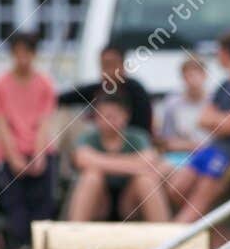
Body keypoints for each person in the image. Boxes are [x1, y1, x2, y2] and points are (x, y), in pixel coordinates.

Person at [169, 32, 230, 224]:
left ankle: (171, 246)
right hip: (213, 148)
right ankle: (211, 236)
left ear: (225, 53)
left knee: (195, 206)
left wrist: (222, 122)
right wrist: (225, 121)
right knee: (175, 189)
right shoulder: (226, 84)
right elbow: (203, 119)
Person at [0, 29, 59, 249]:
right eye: (17, 53)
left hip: (38, 149)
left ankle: (40, 246)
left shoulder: (45, 84)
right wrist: (13, 157)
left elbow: (44, 123)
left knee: (42, 201)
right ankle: (18, 244)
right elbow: (1, 124)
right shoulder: (0, 84)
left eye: (26, 53)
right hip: (10, 151)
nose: (22, 59)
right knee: (14, 202)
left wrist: (38, 155)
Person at [64, 92, 170, 222]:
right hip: (100, 204)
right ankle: (75, 230)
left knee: (145, 180)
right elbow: (81, 159)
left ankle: (164, 233)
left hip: (129, 203)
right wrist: (134, 165)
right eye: (103, 115)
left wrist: (98, 162)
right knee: (91, 176)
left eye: (113, 115)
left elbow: (149, 161)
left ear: (126, 115)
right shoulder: (88, 138)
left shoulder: (137, 137)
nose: (108, 120)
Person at [59, 44, 154, 134]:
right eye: (104, 65)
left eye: (111, 65)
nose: (107, 71)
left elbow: (143, 130)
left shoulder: (136, 92)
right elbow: (62, 99)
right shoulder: (96, 90)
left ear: (122, 66)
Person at [155, 54, 211, 158]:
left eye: (196, 74)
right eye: (189, 75)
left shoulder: (216, 102)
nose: (193, 80)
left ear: (205, 75)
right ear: (183, 78)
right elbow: (167, 141)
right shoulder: (172, 104)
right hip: (181, 156)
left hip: (211, 155)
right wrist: (193, 146)